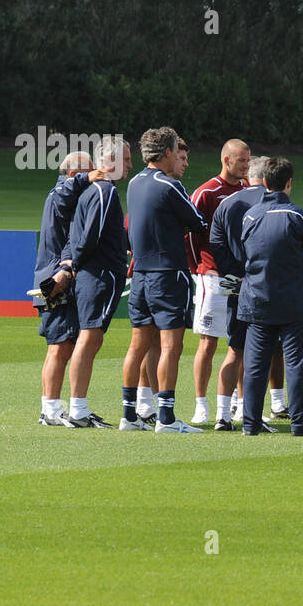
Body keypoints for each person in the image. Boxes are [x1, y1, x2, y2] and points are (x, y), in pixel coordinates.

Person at [119, 126, 208, 433]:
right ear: (168, 152)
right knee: (171, 346)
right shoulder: (169, 185)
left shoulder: (134, 182)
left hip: (140, 275)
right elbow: (197, 222)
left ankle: (129, 415)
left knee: (137, 346)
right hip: (169, 274)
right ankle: (166, 418)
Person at [237, 158, 303, 437]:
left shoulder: (249, 216)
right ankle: (299, 425)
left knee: (255, 365)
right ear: (289, 183)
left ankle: (250, 424)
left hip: (257, 299)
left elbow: (243, 253)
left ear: (263, 183)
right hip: (294, 301)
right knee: (296, 364)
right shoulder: (299, 216)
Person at [60, 139, 131, 428]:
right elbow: (91, 234)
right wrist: (75, 264)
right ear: (110, 161)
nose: (130, 164)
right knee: (89, 338)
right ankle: (77, 409)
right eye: (126, 159)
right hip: (98, 274)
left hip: (93, 273)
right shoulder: (105, 190)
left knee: (89, 338)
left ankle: (78, 407)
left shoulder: (94, 189)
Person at [187, 139, 251, 424]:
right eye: (242, 160)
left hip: (240, 278)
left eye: (248, 161)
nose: (246, 165)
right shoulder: (207, 192)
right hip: (212, 278)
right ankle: (201, 404)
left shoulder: (249, 192)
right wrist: (199, 267)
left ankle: (238, 403)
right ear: (226, 160)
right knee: (209, 341)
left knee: (240, 343)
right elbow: (188, 234)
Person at [208, 157, 270, 430]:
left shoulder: (227, 202)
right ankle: (250, 414)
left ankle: (222, 415)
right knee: (260, 353)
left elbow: (215, 242)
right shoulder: (272, 203)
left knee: (234, 349)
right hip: (264, 285)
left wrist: (232, 272)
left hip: (234, 283)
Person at [34, 150, 94, 425]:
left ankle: (52, 409)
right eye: (88, 172)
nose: (94, 177)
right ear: (73, 175)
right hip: (55, 279)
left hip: (54, 277)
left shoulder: (60, 197)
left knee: (62, 346)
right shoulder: (60, 194)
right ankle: (51, 411)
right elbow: (66, 191)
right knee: (59, 346)